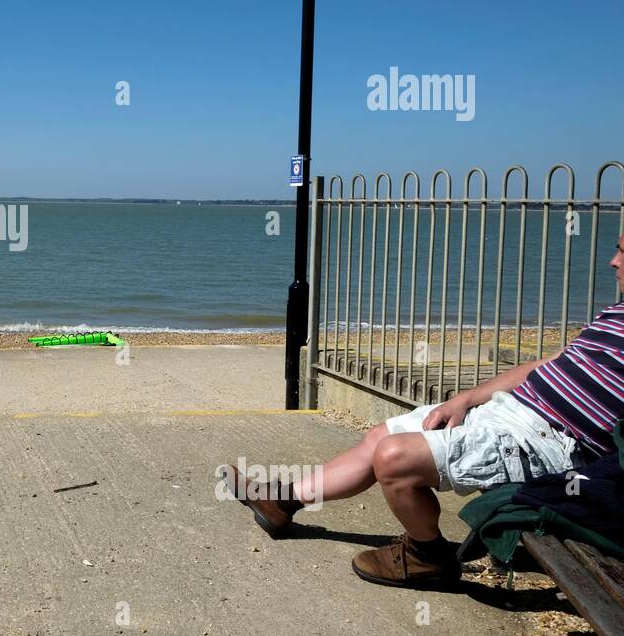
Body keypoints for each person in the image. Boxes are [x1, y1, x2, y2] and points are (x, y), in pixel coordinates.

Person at [222, 233, 624, 588]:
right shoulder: (616, 315)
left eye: (623, 251)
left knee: (394, 459)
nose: (613, 261)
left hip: (549, 441)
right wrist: (467, 398)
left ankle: (427, 557)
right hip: (508, 410)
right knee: (382, 436)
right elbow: (544, 365)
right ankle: (282, 502)